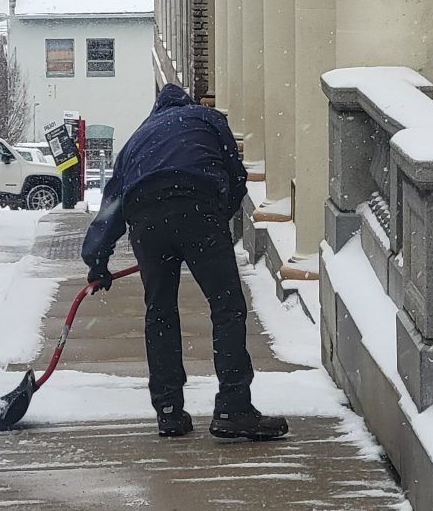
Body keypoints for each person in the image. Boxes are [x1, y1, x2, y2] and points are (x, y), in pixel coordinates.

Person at [81, 83, 289, 441]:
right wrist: (214, 222)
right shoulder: (206, 118)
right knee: (226, 307)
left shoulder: (135, 141)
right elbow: (235, 175)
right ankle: (233, 408)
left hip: (145, 217)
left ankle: (168, 411)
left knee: (160, 312)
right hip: (196, 203)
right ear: (187, 102)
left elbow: (112, 204)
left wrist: (98, 260)